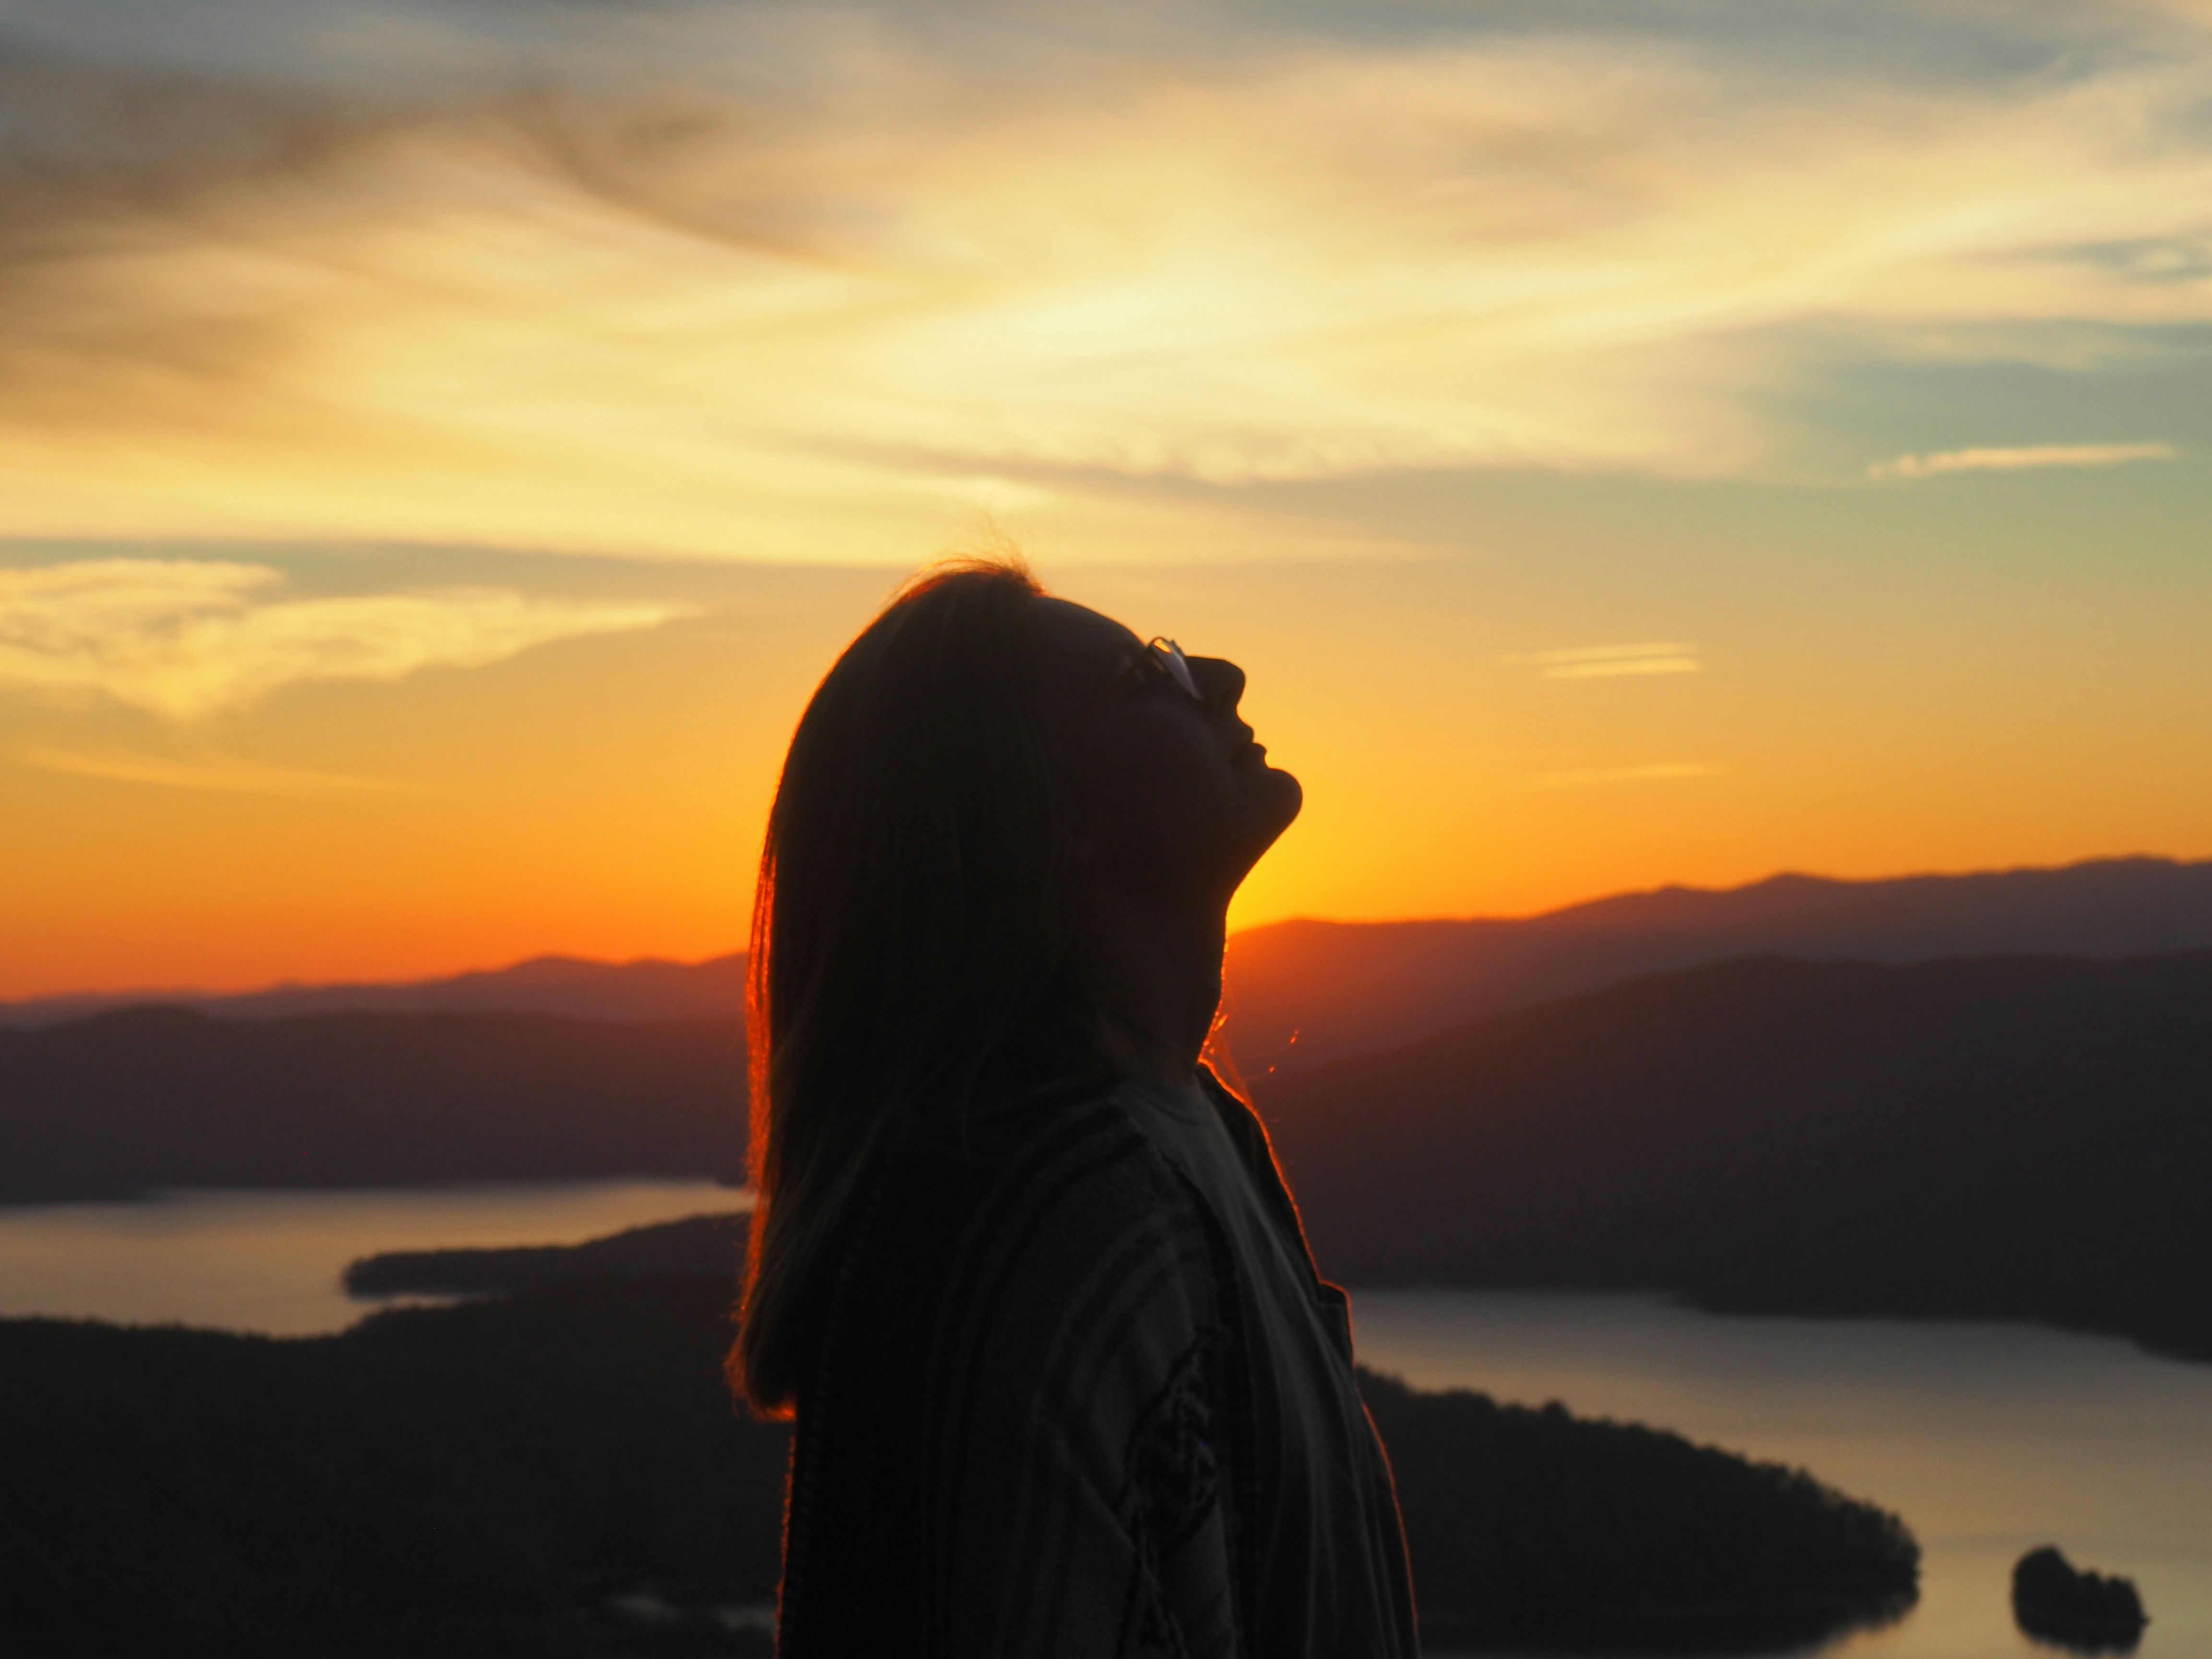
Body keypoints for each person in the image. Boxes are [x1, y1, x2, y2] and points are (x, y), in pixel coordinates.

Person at [730, 556, 1419, 1657]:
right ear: (1047, 819)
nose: (1223, 679)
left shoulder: (1200, 1136)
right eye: (1149, 678)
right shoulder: (1052, 1211)